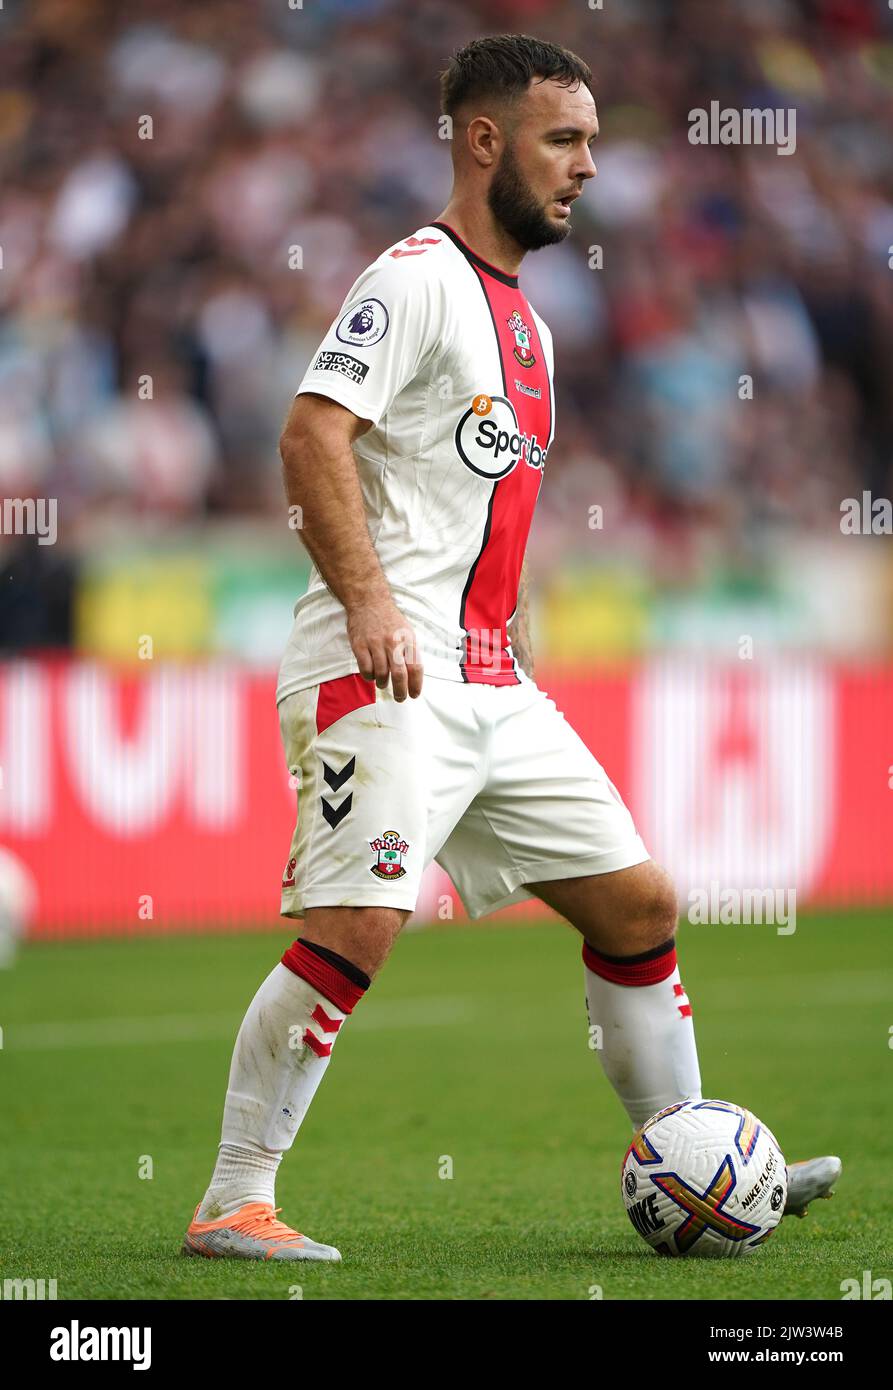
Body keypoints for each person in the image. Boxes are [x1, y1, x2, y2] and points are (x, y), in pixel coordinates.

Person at [182, 34, 840, 1263]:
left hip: (487, 670)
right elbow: (311, 434)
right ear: (483, 140)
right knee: (357, 926)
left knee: (636, 901)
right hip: (382, 661)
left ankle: (692, 1152)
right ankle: (232, 1198)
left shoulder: (525, 325)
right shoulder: (413, 277)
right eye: (564, 140)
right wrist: (375, 602)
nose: (587, 166)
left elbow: (459, 495)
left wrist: (504, 611)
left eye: (590, 141)